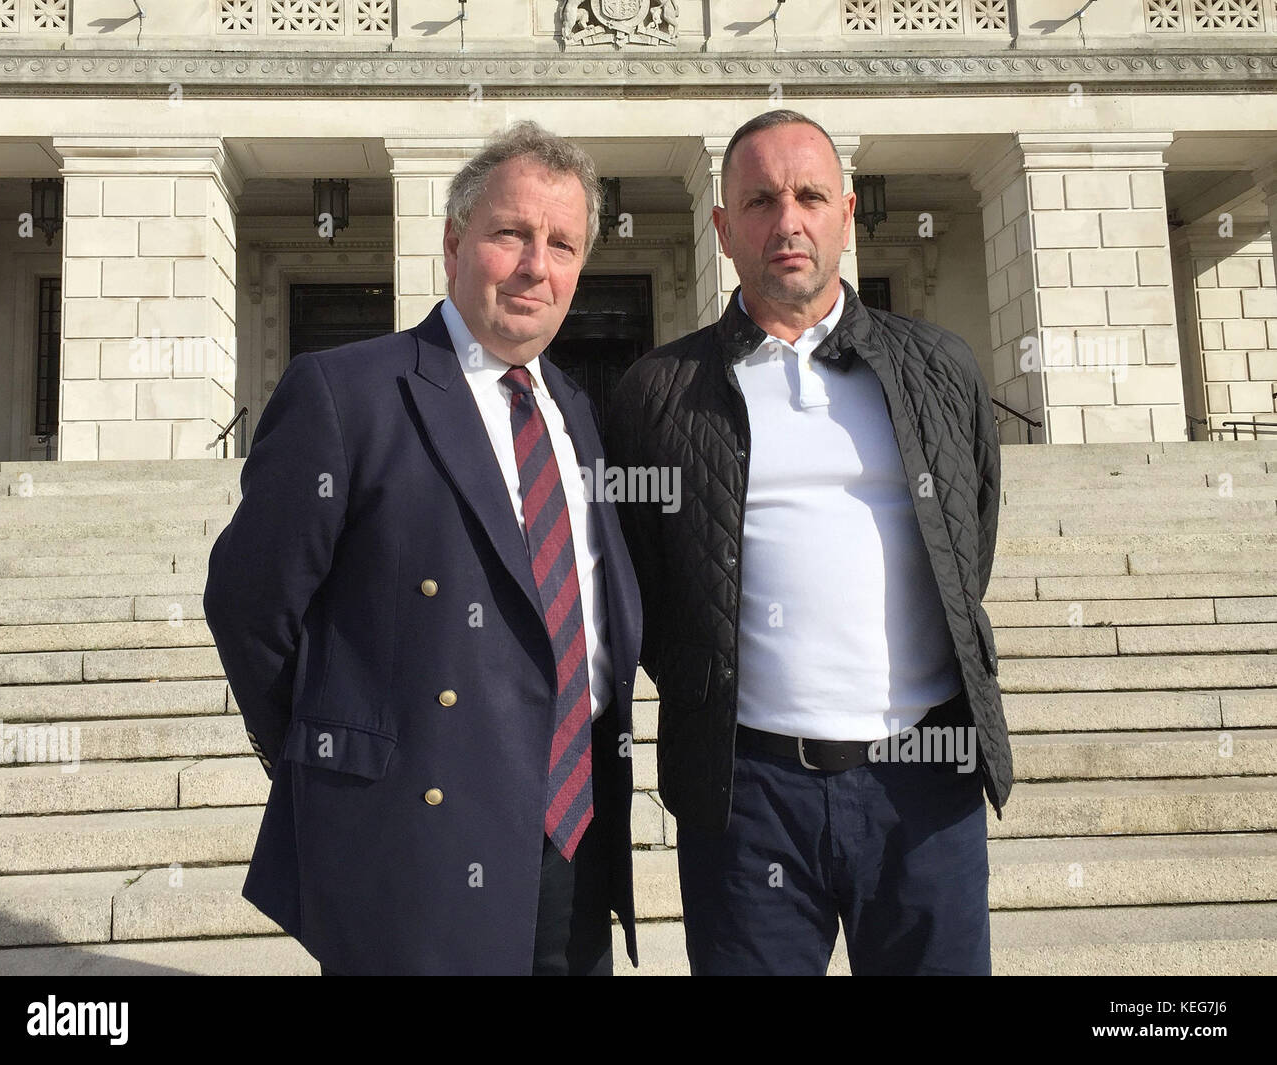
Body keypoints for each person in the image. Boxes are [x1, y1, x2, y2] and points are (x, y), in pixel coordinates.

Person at [203, 120, 643, 976]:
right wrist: (340, 758)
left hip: (574, 837)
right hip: (417, 847)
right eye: (511, 232)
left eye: (562, 243)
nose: (535, 266)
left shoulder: (576, 413)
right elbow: (250, 603)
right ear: (453, 243)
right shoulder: (347, 392)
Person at [606, 109, 1012, 975]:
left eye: (809, 196)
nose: (786, 220)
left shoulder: (939, 366)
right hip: (747, 793)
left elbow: (966, 537)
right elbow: (644, 580)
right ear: (722, 227)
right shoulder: (658, 391)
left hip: (924, 778)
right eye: (759, 200)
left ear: (846, 213)